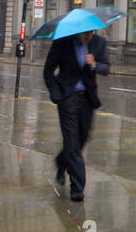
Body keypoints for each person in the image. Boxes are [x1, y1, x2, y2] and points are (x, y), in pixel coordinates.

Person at [43, 27, 111, 202]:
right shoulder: (62, 43)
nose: (89, 37)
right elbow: (48, 71)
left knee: (83, 138)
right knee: (72, 141)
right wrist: (55, 91)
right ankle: (77, 187)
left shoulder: (98, 43)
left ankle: (61, 161)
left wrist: (94, 65)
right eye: (85, 34)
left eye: (92, 33)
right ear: (77, 32)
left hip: (88, 98)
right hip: (68, 98)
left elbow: (106, 68)